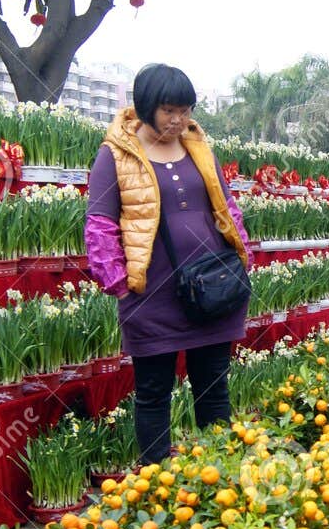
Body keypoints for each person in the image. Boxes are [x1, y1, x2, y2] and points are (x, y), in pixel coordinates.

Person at [84, 64, 251, 465]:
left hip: (212, 287)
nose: (178, 120)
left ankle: (218, 475)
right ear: (146, 107)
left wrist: (242, 254)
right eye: (169, 111)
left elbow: (226, 205)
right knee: (153, 392)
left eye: (185, 111)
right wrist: (119, 283)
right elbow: (100, 222)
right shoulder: (116, 154)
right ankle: (158, 480)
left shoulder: (198, 147)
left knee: (213, 388)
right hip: (152, 294)